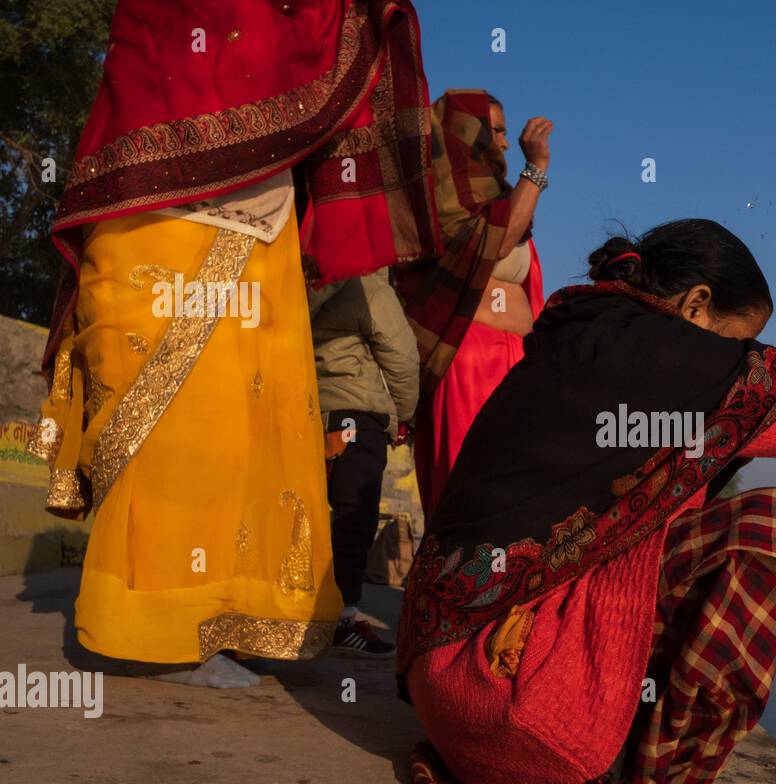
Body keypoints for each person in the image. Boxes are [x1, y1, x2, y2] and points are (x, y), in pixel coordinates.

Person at [397, 211, 776, 784]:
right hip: (512, 721)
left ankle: (608, 740)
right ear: (695, 306)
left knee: (655, 524)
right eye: (733, 338)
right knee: (771, 534)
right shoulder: (671, 359)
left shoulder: (577, 338)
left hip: (446, 689)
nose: (733, 356)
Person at [28, 1, 445, 688]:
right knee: (165, 416)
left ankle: (244, 614)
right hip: (150, 201)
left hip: (258, 209)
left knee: (254, 427)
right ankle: (163, 620)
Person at [409, 91, 552, 517]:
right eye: (497, 130)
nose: (507, 142)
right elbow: (498, 241)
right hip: (469, 360)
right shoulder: (443, 200)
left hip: (519, 363)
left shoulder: (502, 200)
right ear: (463, 132)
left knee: (521, 494)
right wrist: (538, 168)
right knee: (472, 490)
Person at [309, 270, 419, 656]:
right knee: (353, 517)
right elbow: (402, 358)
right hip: (356, 416)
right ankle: (343, 618)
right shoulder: (367, 282)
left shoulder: (298, 278)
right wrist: (403, 416)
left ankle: (297, 614)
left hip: (304, 413)